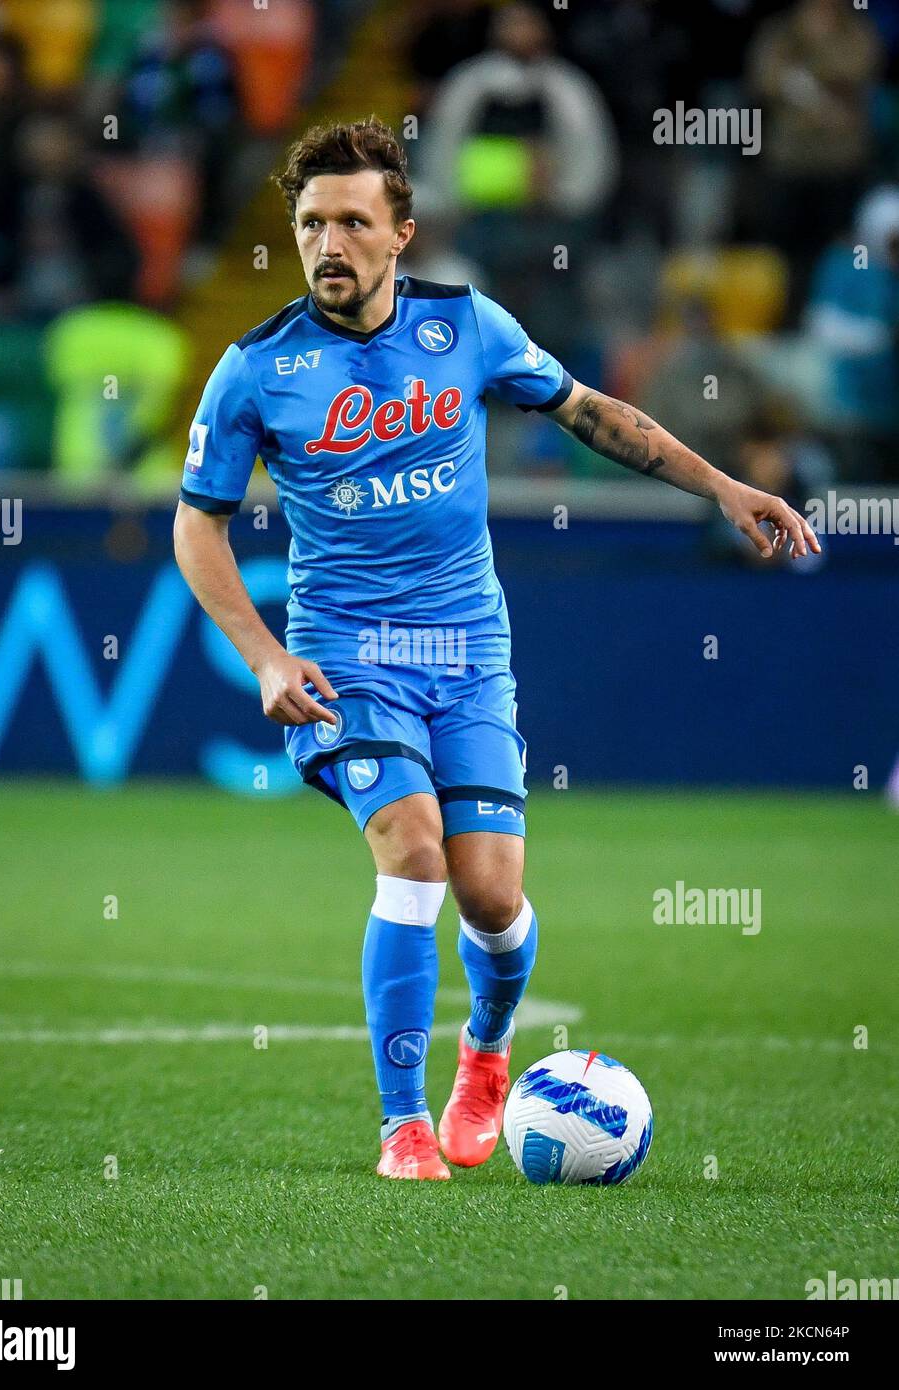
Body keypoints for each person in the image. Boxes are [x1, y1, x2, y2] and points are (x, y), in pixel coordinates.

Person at [173, 118, 820, 1181]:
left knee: (490, 895)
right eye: (309, 224)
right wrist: (264, 654)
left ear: (402, 232)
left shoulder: (466, 327)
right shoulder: (256, 370)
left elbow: (592, 414)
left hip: (469, 650)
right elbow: (197, 523)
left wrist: (725, 486)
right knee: (414, 848)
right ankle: (402, 1125)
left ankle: (485, 1052)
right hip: (347, 654)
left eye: (350, 221)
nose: (327, 243)